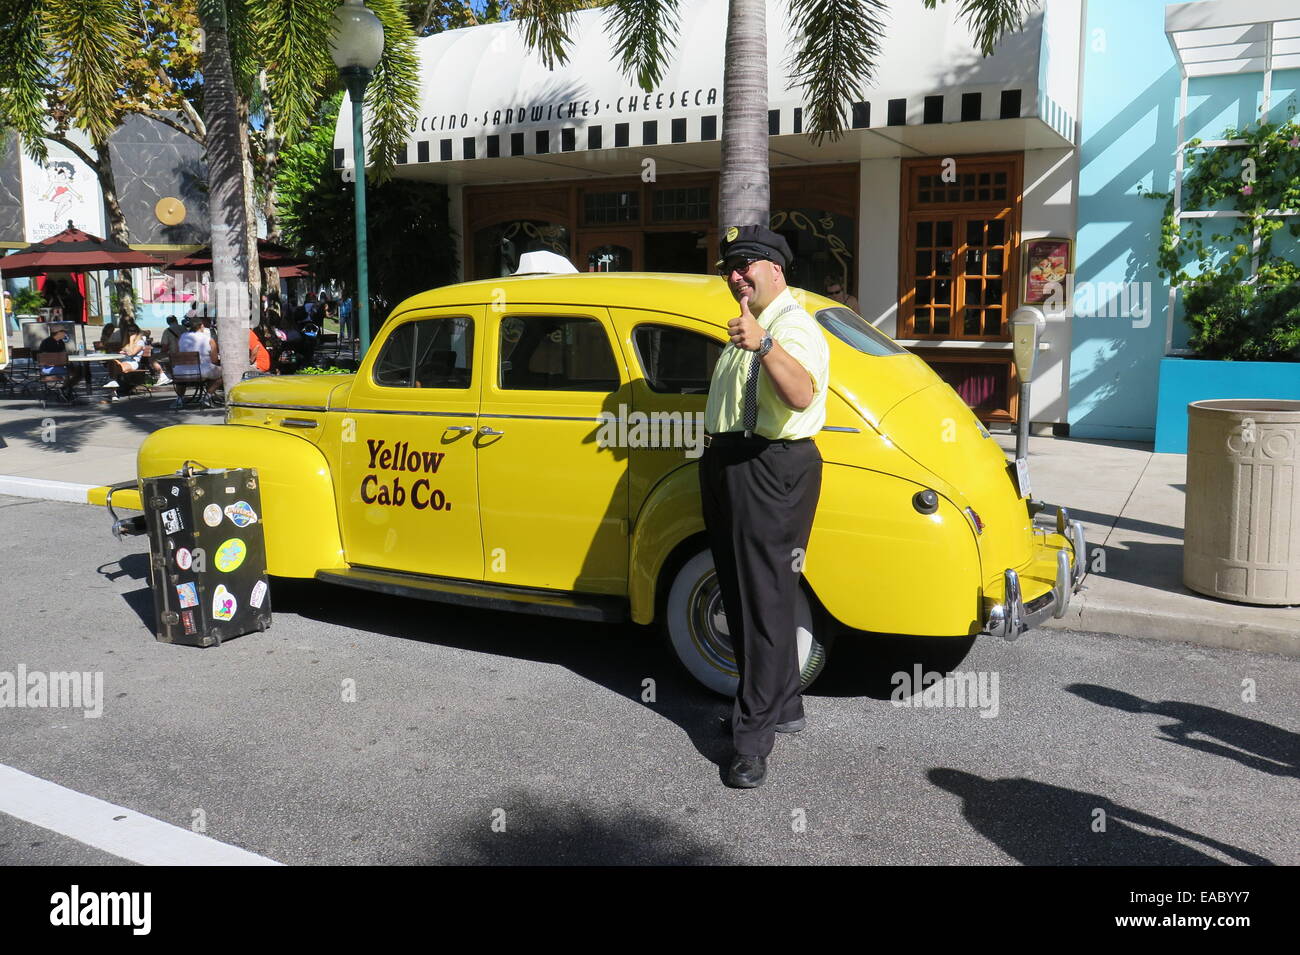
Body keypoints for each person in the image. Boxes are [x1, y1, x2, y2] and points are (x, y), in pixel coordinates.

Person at [701, 224, 830, 789]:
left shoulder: (790, 327)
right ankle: (784, 705)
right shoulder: (750, 325)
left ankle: (751, 742)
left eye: (746, 262)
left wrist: (766, 345)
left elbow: (801, 393)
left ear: (776, 268)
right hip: (733, 463)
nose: (735, 274)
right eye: (729, 265)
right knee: (746, 592)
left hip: (770, 466)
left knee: (761, 603)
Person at [174, 312, 222, 406]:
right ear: (202, 326)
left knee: (182, 373)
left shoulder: (182, 338)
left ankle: (179, 398)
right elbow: (214, 360)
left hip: (180, 372)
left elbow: (177, 352)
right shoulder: (208, 339)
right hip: (201, 371)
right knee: (223, 373)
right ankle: (208, 396)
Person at [36, 326, 85, 399]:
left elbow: (63, 356)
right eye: (64, 332)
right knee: (75, 372)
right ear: (58, 333)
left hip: (60, 365)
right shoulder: (47, 342)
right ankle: (66, 389)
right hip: (49, 368)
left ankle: (65, 388)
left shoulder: (60, 342)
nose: (65, 334)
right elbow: (47, 359)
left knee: (81, 370)